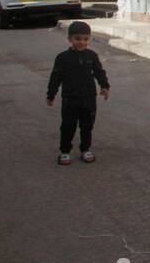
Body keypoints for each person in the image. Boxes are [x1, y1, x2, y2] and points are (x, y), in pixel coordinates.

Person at [46, 21, 110, 165]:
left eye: (85, 39)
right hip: (70, 98)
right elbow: (56, 77)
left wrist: (104, 86)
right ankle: (65, 152)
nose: (82, 42)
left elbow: (99, 72)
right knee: (68, 126)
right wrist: (51, 95)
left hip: (89, 98)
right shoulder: (63, 58)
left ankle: (85, 149)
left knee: (87, 126)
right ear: (70, 39)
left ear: (89, 39)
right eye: (78, 38)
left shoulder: (91, 56)